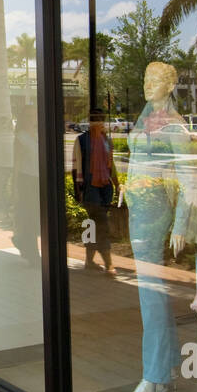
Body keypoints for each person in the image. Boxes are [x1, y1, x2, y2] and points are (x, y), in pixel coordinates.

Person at [71, 108, 120, 274]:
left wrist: (117, 184)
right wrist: (78, 191)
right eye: (95, 119)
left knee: (93, 224)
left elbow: (110, 164)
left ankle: (89, 261)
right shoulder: (82, 140)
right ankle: (108, 263)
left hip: (105, 187)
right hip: (90, 187)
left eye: (101, 119)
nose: (98, 122)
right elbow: (76, 166)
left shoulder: (107, 139)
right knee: (102, 224)